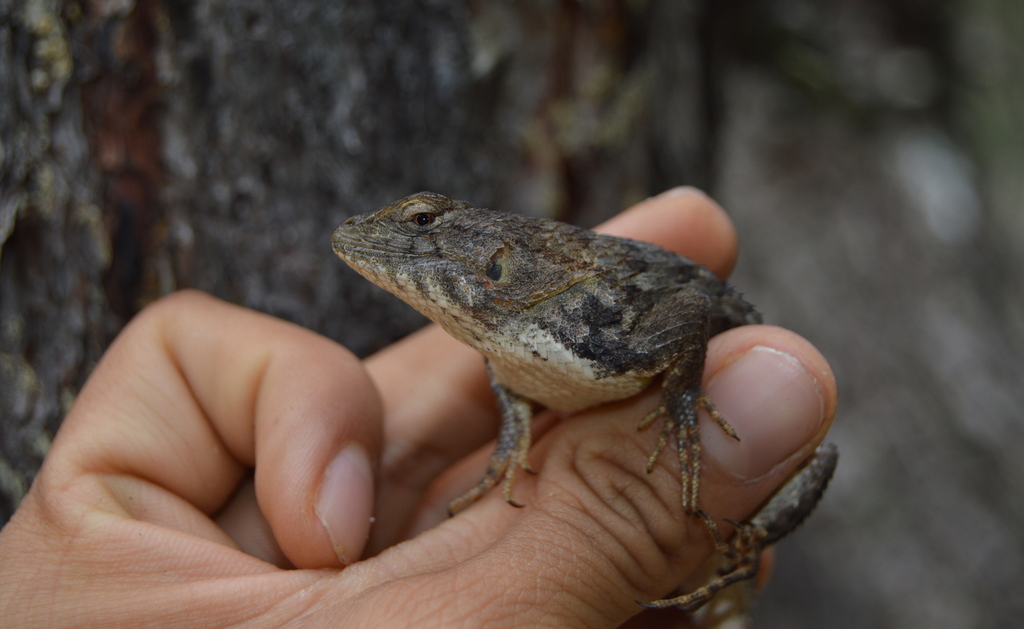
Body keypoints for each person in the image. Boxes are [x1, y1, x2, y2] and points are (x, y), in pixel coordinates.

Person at [0, 188, 836, 627]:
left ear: (499, 259)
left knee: (816, 465)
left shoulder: (584, 317)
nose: (403, 236)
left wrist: (684, 406)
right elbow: (514, 383)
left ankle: (738, 563)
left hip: (747, 415)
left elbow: (691, 314)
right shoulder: (508, 345)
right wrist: (515, 441)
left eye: (428, 224)